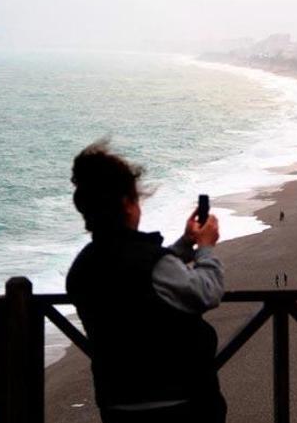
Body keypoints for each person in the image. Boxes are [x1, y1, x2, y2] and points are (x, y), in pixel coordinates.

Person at [66, 141, 227, 423]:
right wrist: (205, 248)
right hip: (180, 403)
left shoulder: (82, 268)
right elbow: (206, 292)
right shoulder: (151, 262)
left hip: (117, 404)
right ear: (128, 204)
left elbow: (134, 280)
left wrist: (184, 244)